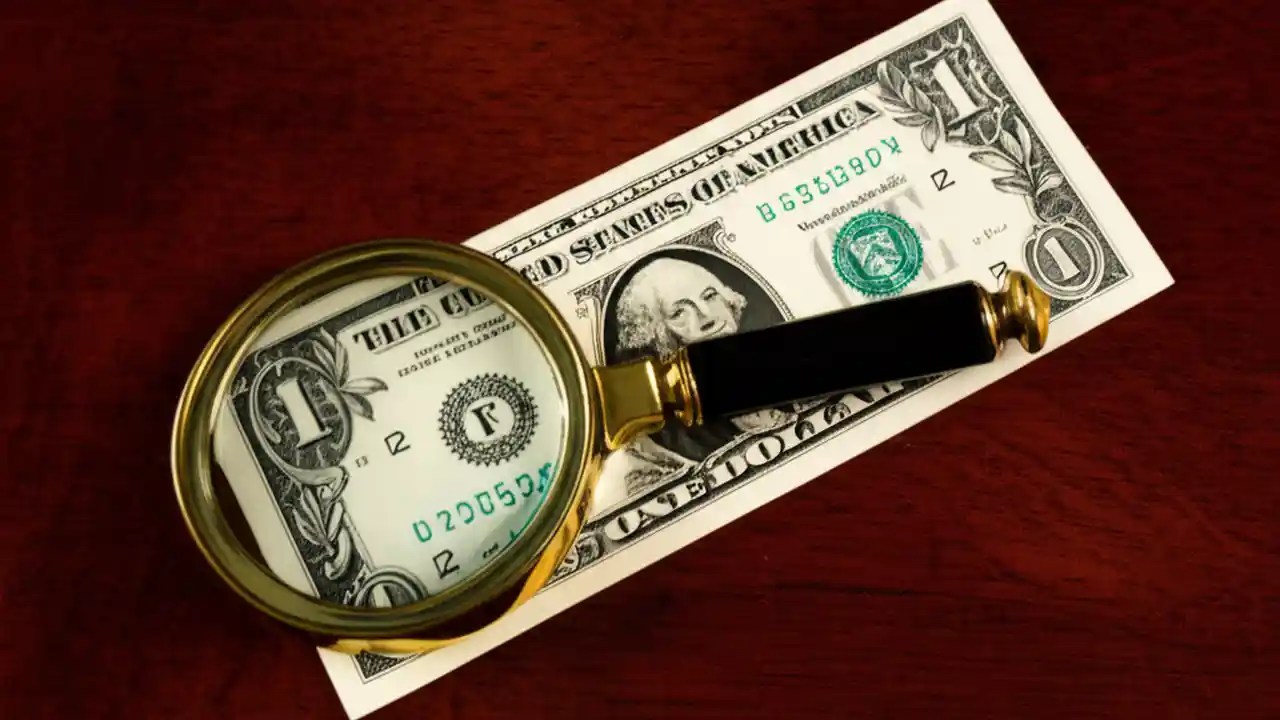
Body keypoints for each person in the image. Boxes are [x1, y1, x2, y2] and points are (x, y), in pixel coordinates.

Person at [608, 256, 793, 497]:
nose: (708, 318)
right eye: (679, 313)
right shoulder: (656, 454)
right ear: (656, 337)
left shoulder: (781, 361)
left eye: (709, 296)